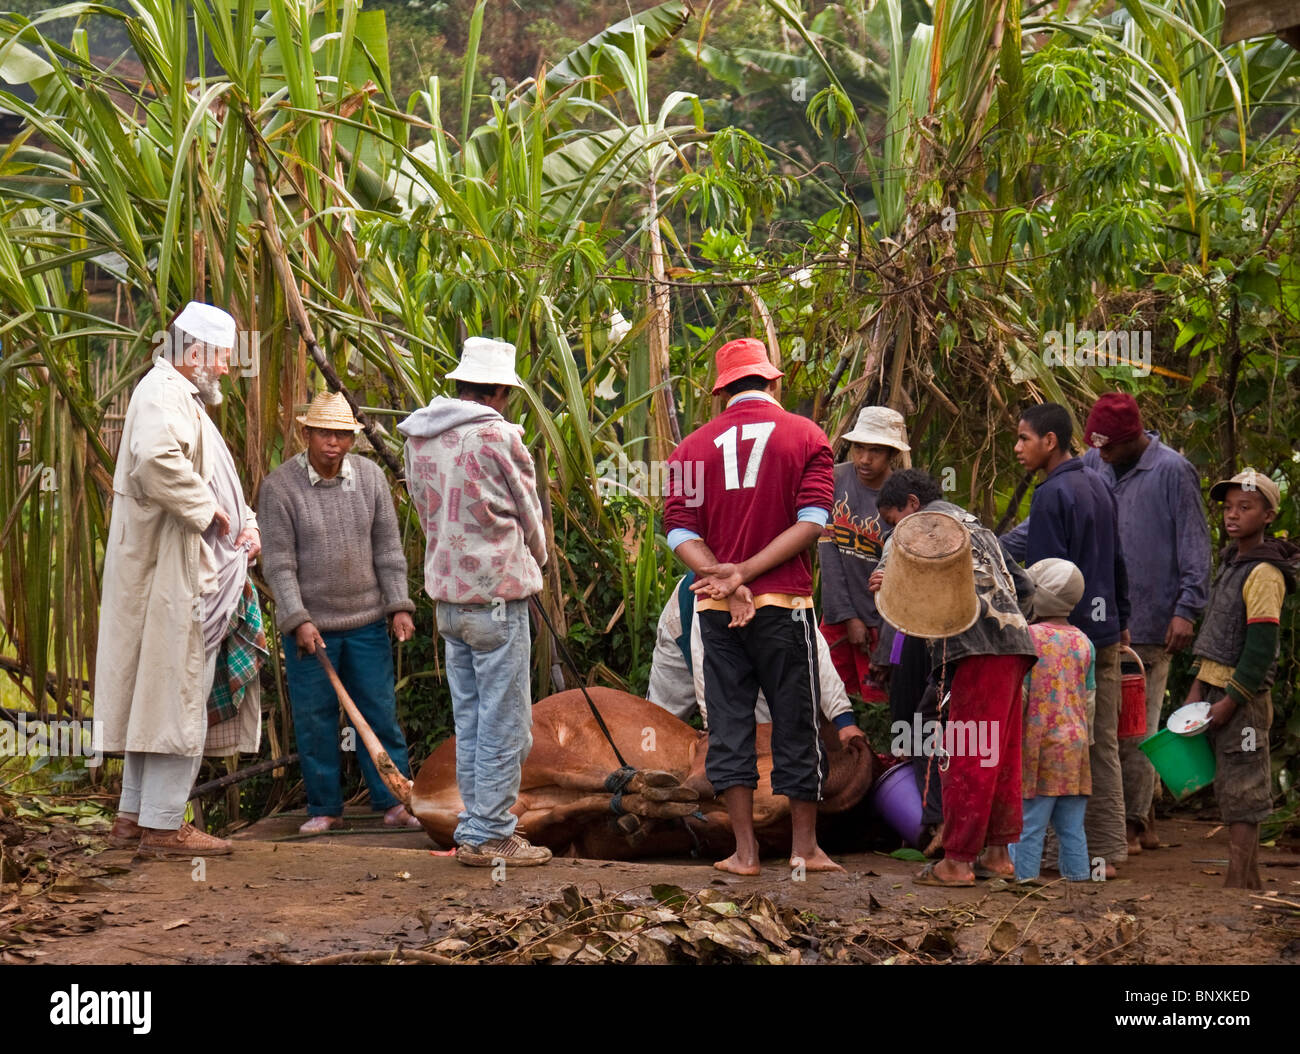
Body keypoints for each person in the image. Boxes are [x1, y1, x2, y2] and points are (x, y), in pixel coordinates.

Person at [663, 336, 839, 876]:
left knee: (730, 726)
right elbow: (813, 521)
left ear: (721, 392)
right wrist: (747, 574)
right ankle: (804, 848)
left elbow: (676, 528)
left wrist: (725, 574)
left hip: (718, 614)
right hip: (785, 607)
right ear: (773, 380)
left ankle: (744, 853)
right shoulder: (807, 436)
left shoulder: (690, 447)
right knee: (796, 723)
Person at [1005, 393, 1211, 854]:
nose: (1101, 454)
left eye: (1110, 447)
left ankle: (1120, 833)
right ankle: (1113, 843)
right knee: (1102, 740)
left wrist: (1186, 608)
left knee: (1123, 734)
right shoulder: (1094, 476)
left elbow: (1195, 544)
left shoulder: (1171, 471)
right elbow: (1104, 552)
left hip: (1139, 624)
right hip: (1110, 628)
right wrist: (988, 546)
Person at [96, 302, 265, 858]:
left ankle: (132, 819)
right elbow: (154, 460)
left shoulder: (172, 393)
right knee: (177, 695)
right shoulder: (164, 393)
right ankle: (165, 826)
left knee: (160, 693)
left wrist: (241, 522)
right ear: (193, 355)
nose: (223, 369)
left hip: (182, 575)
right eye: (219, 358)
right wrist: (209, 511)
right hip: (177, 577)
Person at [399, 337, 551, 867]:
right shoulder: (499, 437)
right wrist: (539, 560)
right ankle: (490, 834)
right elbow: (530, 517)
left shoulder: (418, 436)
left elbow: (423, 512)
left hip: (448, 602)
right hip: (497, 600)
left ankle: (475, 827)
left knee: (471, 719)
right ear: (502, 391)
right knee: (507, 723)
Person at [258, 391, 420, 834]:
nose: (334, 443)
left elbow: (388, 549)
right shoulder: (279, 488)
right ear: (305, 433)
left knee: (379, 712)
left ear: (353, 440)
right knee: (315, 720)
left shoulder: (369, 479)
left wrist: (399, 606)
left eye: (343, 435)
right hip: (311, 631)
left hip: (367, 623)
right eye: (325, 433)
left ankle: (394, 802)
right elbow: (279, 564)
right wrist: (298, 618)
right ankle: (324, 809)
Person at [871, 469, 1038, 887]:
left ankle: (958, 861)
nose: (894, 530)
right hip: (1016, 643)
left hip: (973, 649)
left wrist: (883, 582)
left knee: (965, 751)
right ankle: (998, 856)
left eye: (893, 520)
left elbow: (891, 588)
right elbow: (1026, 586)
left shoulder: (918, 530)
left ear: (911, 505)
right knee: (999, 753)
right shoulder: (979, 529)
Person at [1010, 402, 1129, 877]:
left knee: (1048, 739)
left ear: (1050, 441)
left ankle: (1049, 857)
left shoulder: (1051, 495)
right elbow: (1118, 559)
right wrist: (1122, 620)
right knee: (1098, 744)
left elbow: (1043, 577)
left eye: (1024, 439)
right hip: (1101, 635)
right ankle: (1106, 850)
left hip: (1061, 644)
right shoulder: (1099, 483)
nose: (1018, 448)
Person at [1183, 469, 1297, 889]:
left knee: (1244, 787)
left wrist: (1232, 700)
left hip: (1242, 698)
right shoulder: (1233, 563)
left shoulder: (1265, 573)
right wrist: (1196, 689)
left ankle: (1239, 879)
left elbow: (1261, 647)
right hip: (1215, 689)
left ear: (1268, 516)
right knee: (1229, 786)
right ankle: (1247, 878)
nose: (1233, 515)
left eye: (1245, 508)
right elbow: (1214, 634)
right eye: (1229, 508)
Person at [646, 573, 866, 745]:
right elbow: (706, 666)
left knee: (767, 730)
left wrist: (843, 720)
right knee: (660, 721)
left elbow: (814, 651)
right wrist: (716, 732)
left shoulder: (788, 589)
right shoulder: (710, 593)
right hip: (684, 622)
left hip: (762, 629)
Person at [1009, 559, 1094, 884]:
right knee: (1071, 828)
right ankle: (1079, 885)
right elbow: (1090, 701)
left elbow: (1023, 696)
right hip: (1076, 749)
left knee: (1029, 825)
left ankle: (1023, 885)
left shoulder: (1028, 638)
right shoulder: (1084, 642)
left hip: (1038, 749)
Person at [818, 407, 908, 703]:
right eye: (859, 448)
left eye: (876, 451)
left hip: (882, 624)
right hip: (836, 618)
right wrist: (847, 616)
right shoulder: (834, 481)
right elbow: (828, 554)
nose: (864, 459)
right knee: (829, 697)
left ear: (892, 454)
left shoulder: (903, 500)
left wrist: (870, 623)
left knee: (876, 701)